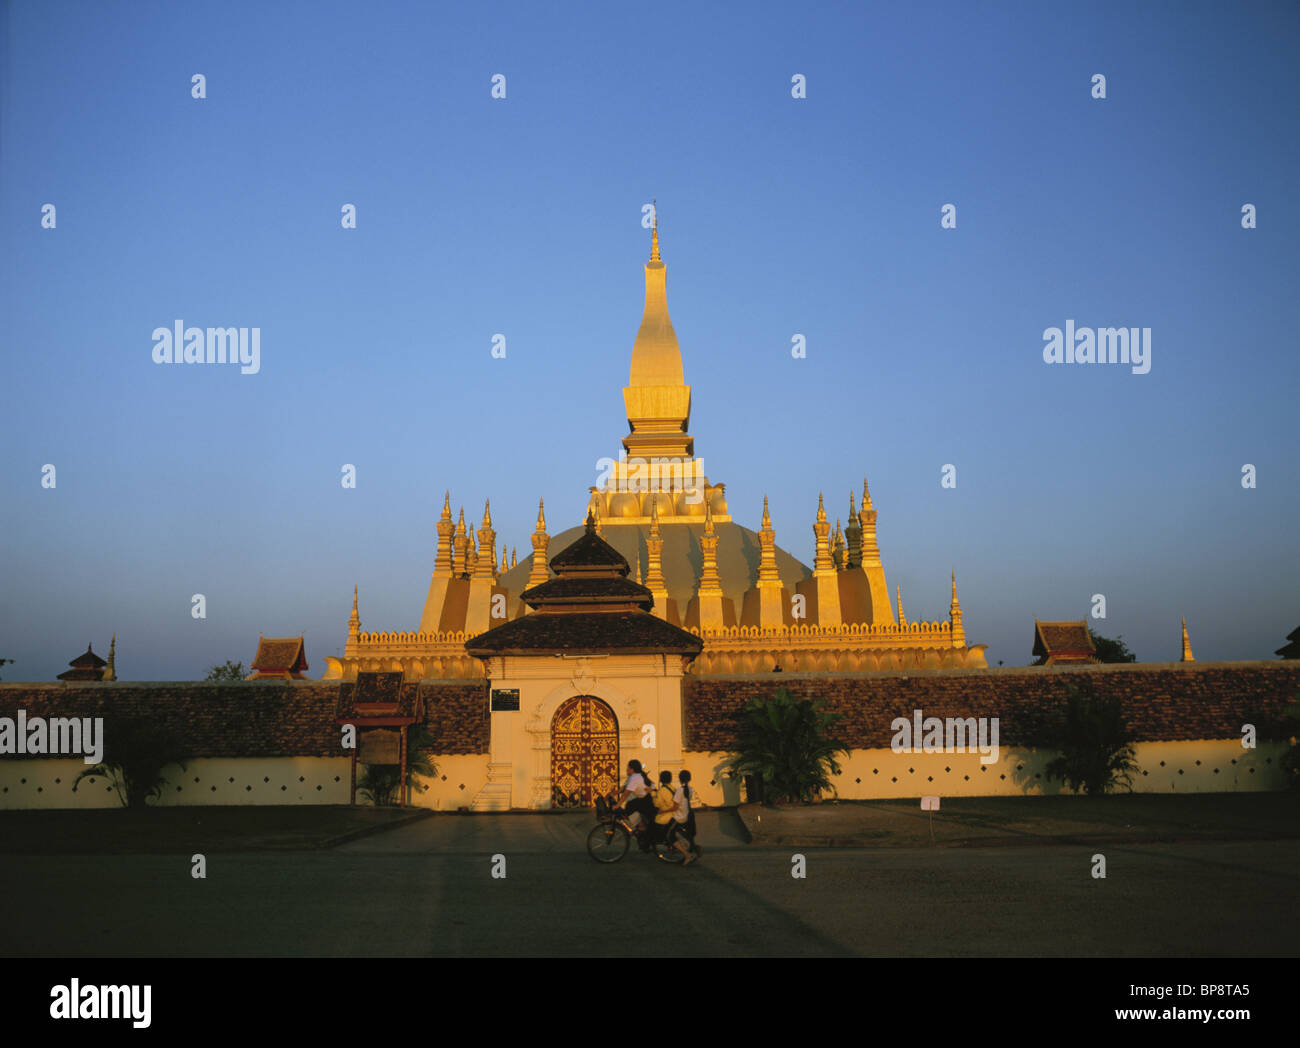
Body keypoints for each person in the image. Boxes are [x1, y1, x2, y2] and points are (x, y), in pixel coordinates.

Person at [614, 760, 654, 838]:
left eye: (628, 768)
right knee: (630, 805)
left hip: (647, 799)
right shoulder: (635, 776)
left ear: (632, 769)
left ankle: (641, 827)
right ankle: (640, 826)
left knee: (629, 807)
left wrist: (617, 805)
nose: (626, 770)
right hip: (644, 798)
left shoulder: (635, 777)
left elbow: (625, 794)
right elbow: (623, 790)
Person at [667, 769, 698, 865]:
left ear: (680, 779)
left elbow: (675, 806)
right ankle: (692, 847)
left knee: (669, 835)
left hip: (679, 817)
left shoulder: (680, 790)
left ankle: (687, 855)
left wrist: (663, 810)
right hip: (686, 814)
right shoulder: (690, 789)